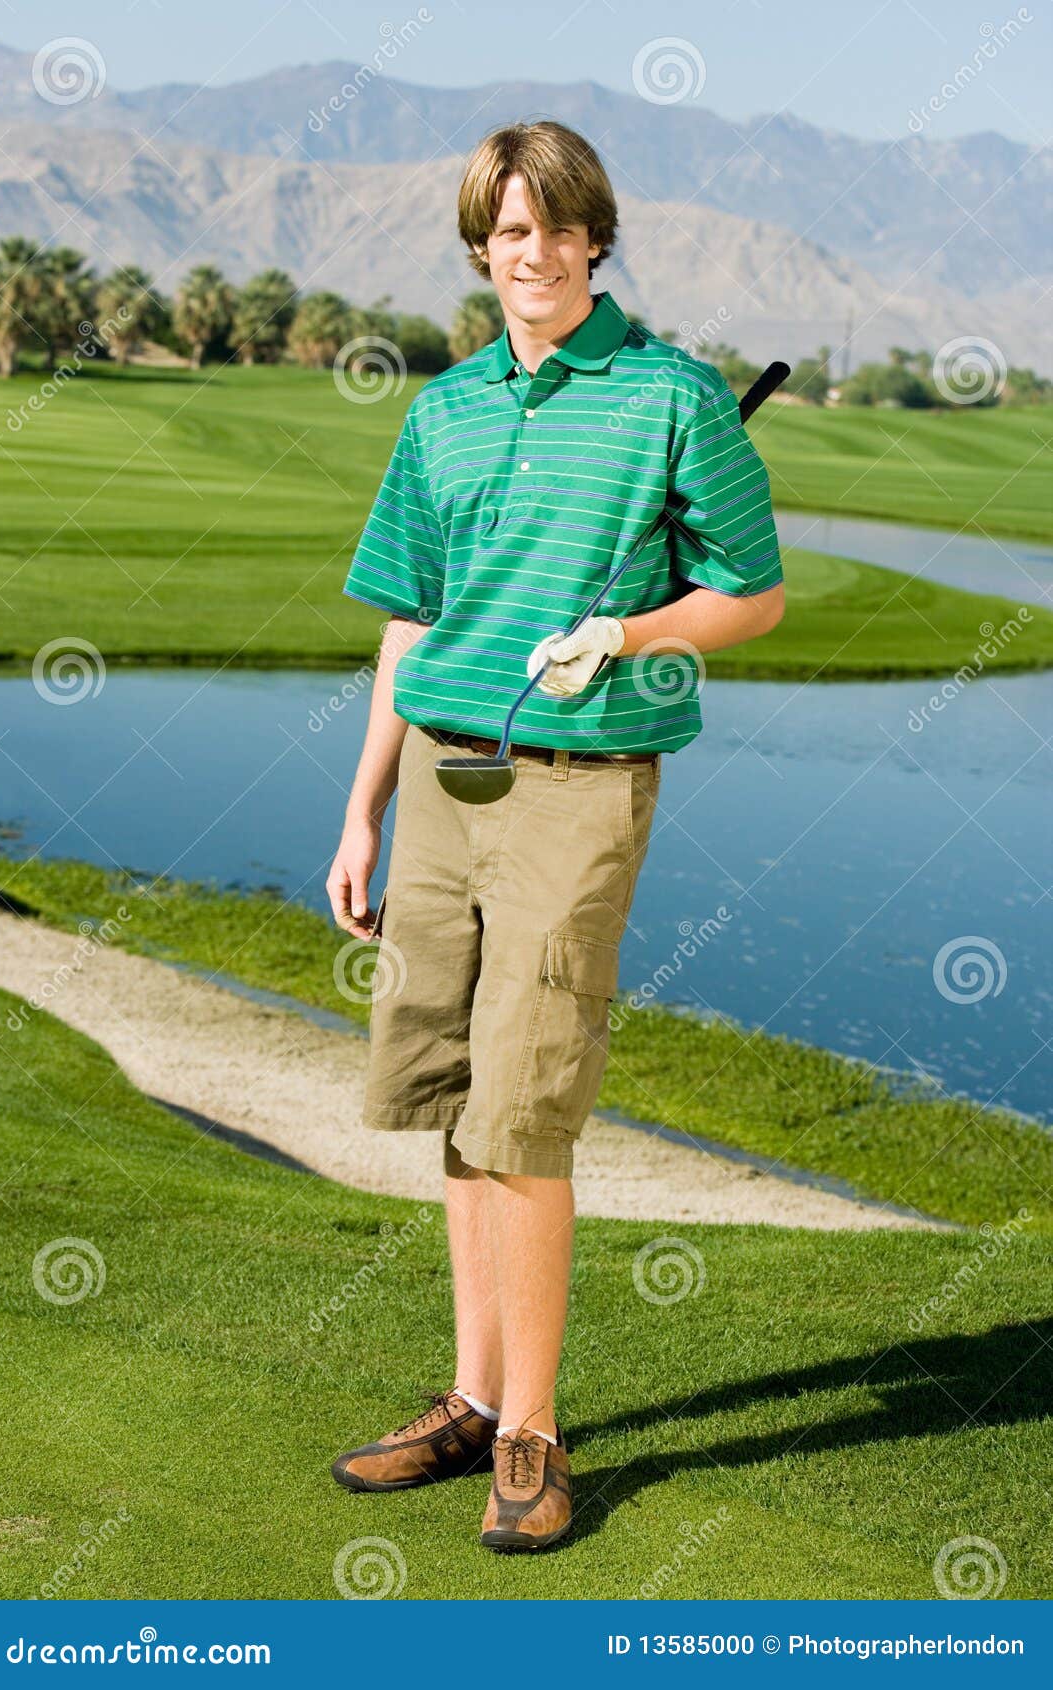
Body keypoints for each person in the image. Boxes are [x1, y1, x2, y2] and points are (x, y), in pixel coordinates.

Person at [325, 119, 785, 1551]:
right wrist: (363, 805)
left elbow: (750, 594)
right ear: (483, 249)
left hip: (577, 784)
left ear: (594, 238)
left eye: (555, 228)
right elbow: (410, 620)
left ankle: (532, 1426)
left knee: (523, 1108)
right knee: (457, 1100)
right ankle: (467, 1398)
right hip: (446, 780)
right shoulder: (446, 409)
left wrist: (633, 628)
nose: (531, 253)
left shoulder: (671, 399)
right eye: (505, 232)